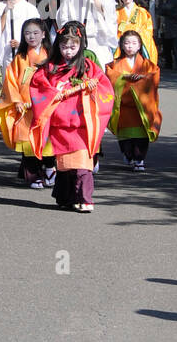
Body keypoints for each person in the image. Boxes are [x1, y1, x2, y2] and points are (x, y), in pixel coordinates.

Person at [29, 21, 114, 213]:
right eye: (64, 46)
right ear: (57, 45)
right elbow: (37, 87)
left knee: (83, 163)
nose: (68, 51)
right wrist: (52, 93)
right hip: (60, 124)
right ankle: (66, 197)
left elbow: (105, 88)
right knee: (66, 165)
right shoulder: (49, 69)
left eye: (73, 46)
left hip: (82, 123)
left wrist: (93, 87)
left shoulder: (89, 67)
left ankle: (85, 198)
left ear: (80, 45)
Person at [0, 18, 55, 187]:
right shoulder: (19, 58)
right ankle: (34, 175)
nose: (31, 37)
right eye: (27, 33)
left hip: (45, 105)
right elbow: (11, 81)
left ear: (44, 34)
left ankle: (50, 169)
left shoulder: (50, 56)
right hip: (25, 106)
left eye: (36, 33)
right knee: (28, 142)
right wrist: (16, 100)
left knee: (47, 139)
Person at [105, 30, 162, 170]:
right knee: (126, 139)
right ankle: (128, 154)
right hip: (124, 106)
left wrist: (143, 79)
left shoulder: (147, 65)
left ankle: (139, 159)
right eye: (126, 43)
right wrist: (123, 78)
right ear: (121, 45)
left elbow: (154, 75)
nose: (130, 46)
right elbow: (110, 76)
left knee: (140, 136)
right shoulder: (115, 64)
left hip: (140, 107)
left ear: (139, 46)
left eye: (134, 43)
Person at [54, 0, 118, 67]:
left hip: (97, 41)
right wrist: (73, 31)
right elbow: (62, 19)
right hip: (77, 41)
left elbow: (109, 14)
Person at [115, 0, 158, 65]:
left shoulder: (142, 11)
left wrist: (137, 37)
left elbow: (147, 29)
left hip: (138, 44)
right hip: (123, 44)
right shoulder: (117, 12)